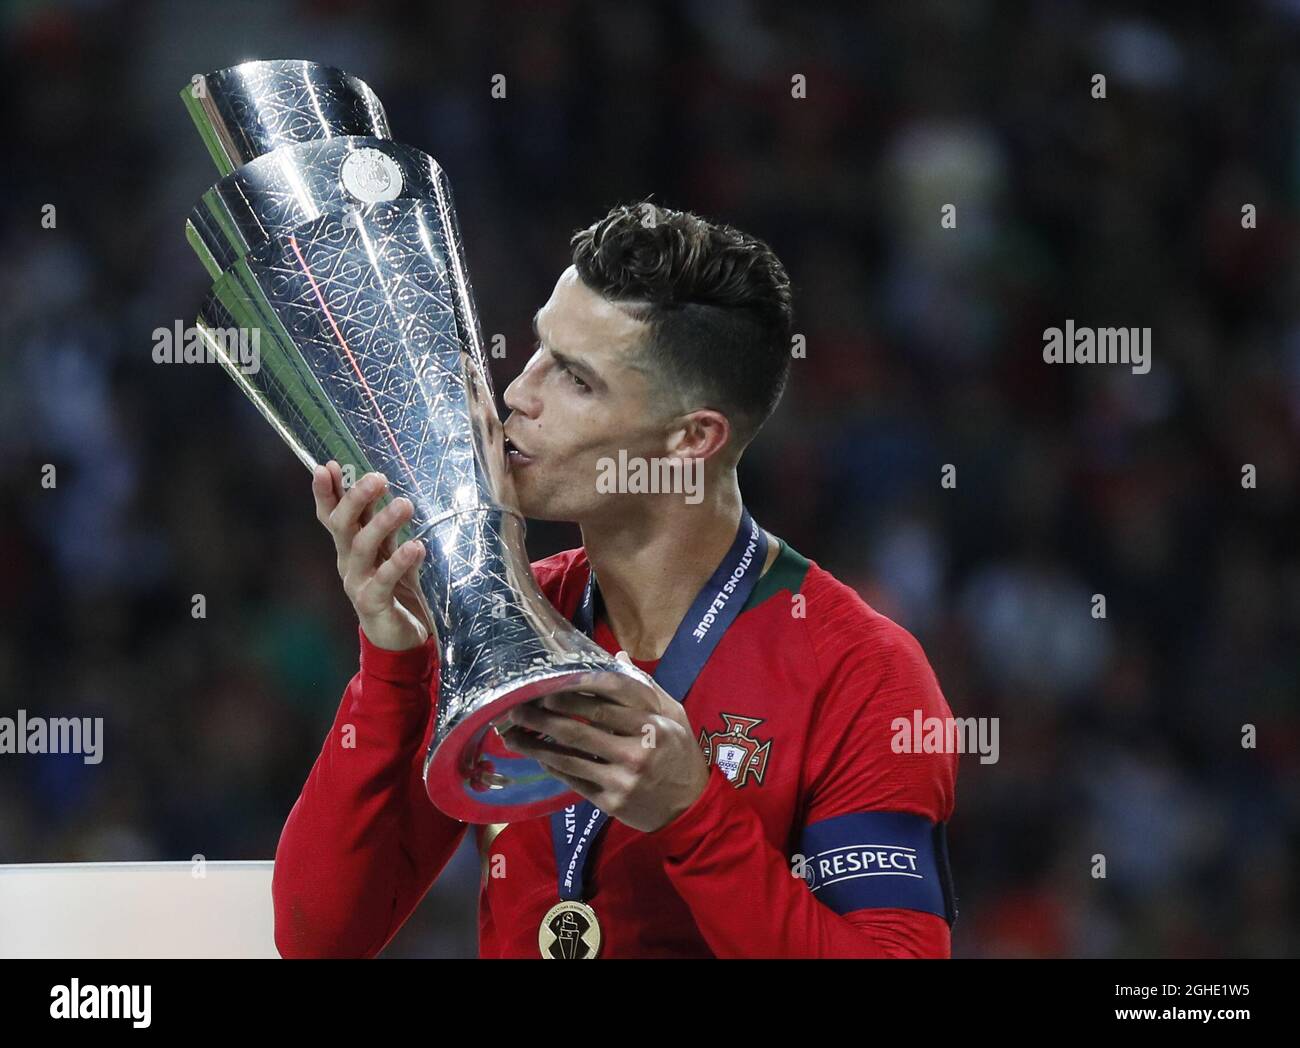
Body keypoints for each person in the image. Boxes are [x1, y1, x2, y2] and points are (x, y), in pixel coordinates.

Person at [272, 200, 958, 958]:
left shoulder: (860, 672)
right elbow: (320, 938)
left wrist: (691, 818)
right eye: (538, 351)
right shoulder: (498, 620)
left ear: (692, 438)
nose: (517, 395)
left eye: (574, 380)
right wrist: (394, 660)